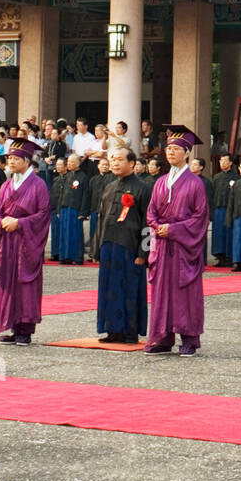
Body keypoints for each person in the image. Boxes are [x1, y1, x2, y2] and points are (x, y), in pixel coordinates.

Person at [145, 126, 210, 357]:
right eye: (168, 148)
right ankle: (162, 337)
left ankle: (189, 338)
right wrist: (156, 226)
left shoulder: (195, 183)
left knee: (185, 293)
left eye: (176, 149)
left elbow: (200, 218)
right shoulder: (160, 181)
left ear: (187, 152)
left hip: (184, 248)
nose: (170, 152)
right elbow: (151, 211)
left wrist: (173, 229)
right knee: (162, 293)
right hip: (163, 247)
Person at [0, 138, 52, 346]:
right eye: (9, 158)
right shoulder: (7, 184)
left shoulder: (39, 184)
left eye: (16, 158)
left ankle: (25, 329)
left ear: (27, 161)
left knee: (26, 283)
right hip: (8, 240)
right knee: (10, 282)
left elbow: (43, 214)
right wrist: (3, 221)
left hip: (27, 242)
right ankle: (12, 324)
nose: (11, 162)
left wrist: (20, 222)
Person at [93, 147, 149, 343]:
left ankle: (130, 331)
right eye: (113, 159)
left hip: (130, 247)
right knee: (108, 287)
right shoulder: (108, 187)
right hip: (109, 245)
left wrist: (143, 253)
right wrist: (96, 247)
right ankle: (112, 330)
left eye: (119, 160)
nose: (115, 163)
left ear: (132, 163)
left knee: (129, 288)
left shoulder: (142, 188)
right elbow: (101, 219)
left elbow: (147, 223)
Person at [57, 154, 88, 265]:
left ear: (78, 163)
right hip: (65, 208)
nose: (69, 164)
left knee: (75, 234)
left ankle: (77, 257)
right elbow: (61, 194)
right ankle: (64, 256)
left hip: (76, 209)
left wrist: (83, 212)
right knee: (64, 233)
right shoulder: (67, 176)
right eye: (68, 162)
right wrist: (59, 209)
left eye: (72, 162)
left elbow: (85, 196)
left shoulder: (83, 177)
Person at [210, 154, 238, 267]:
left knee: (229, 232)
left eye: (225, 161)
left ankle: (230, 257)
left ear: (231, 163)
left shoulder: (236, 177)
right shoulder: (216, 177)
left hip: (230, 209)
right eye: (221, 161)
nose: (222, 163)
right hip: (218, 209)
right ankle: (219, 256)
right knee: (218, 233)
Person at [88, 157, 112, 258]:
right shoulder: (93, 179)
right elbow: (89, 195)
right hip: (94, 209)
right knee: (93, 232)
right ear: (98, 166)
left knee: (104, 232)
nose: (104, 167)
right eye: (102, 165)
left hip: (106, 210)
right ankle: (93, 253)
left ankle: (103, 254)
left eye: (106, 165)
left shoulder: (112, 179)